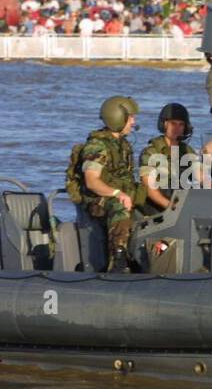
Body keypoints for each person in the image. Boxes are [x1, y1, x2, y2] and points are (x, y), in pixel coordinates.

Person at [79, 95, 141, 274]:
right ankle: (118, 260)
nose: (133, 122)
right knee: (119, 207)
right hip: (97, 200)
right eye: (131, 118)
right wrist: (117, 193)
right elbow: (91, 181)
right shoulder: (97, 146)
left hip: (116, 195)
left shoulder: (123, 145)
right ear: (118, 118)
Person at [139, 103, 199, 216]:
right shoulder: (151, 152)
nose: (177, 128)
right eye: (173, 124)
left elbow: (201, 177)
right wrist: (171, 206)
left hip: (179, 203)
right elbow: (149, 188)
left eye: (181, 125)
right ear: (165, 124)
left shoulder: (186, 150)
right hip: (156, 207)